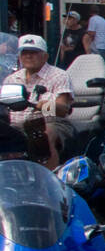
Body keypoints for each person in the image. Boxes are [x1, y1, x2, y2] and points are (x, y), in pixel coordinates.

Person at [5, 35, 75, 168]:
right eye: (24, 52)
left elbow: (63, 109)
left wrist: (42, 106)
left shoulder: (59, 75)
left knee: (43, 134)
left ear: (45, 56)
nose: (28, 56)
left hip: (50, 122)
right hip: (15, 124)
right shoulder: (11, 79)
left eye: (34, 52)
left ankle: (48, 179)